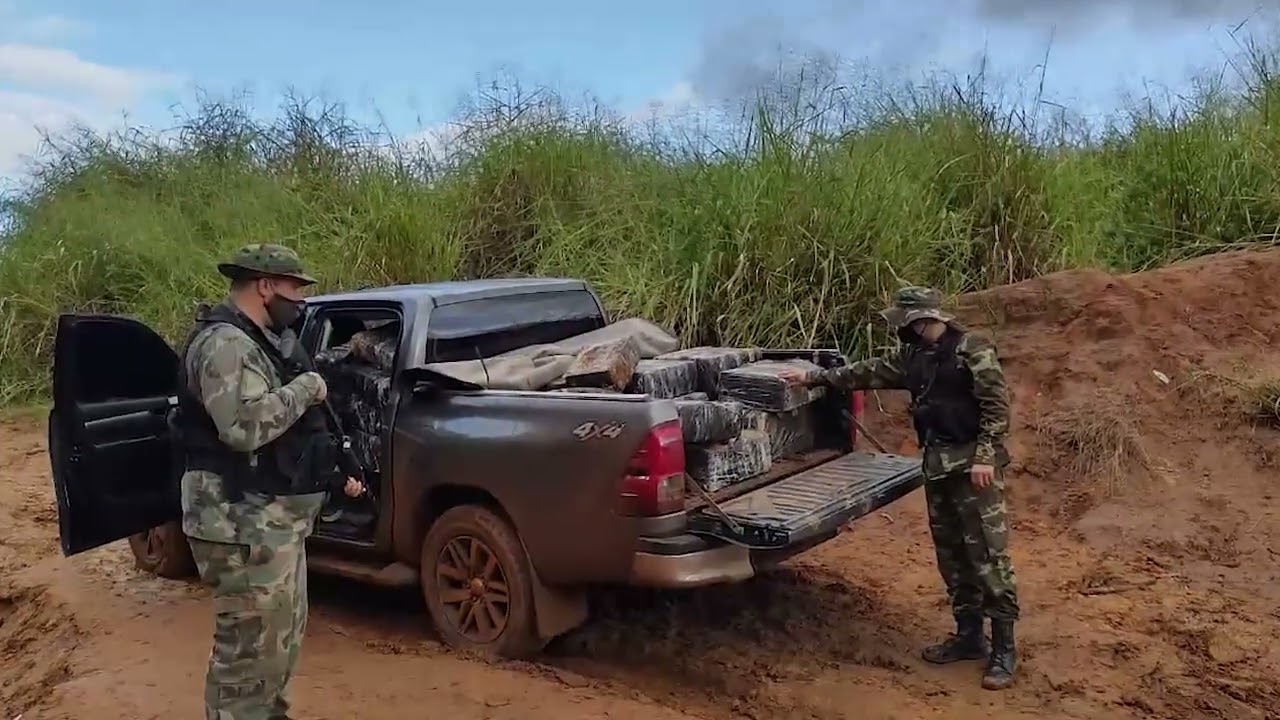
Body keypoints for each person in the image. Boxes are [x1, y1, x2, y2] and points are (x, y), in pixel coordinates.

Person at [794, 286, 1019, 690]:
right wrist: (816, 377)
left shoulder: (972, 350)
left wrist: (985, 456)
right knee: (952, 555)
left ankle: (1004, 647)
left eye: (902, 319)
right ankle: (969, 636)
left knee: (987, 553)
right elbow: (868, 371)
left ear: (919, 318)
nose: (899, 327)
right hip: (938, 466)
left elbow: (996, 408)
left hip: (973, 467)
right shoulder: (914, 358)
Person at [175, 243, 366, 719]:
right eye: (294, 289)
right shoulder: (225, 344)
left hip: (268, 522)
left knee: (277, 645)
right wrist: (307, 387)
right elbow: (240, 427)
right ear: (264, 286)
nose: (300, 302)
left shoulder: (260, 341)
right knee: (247, 654)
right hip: (237, 522)